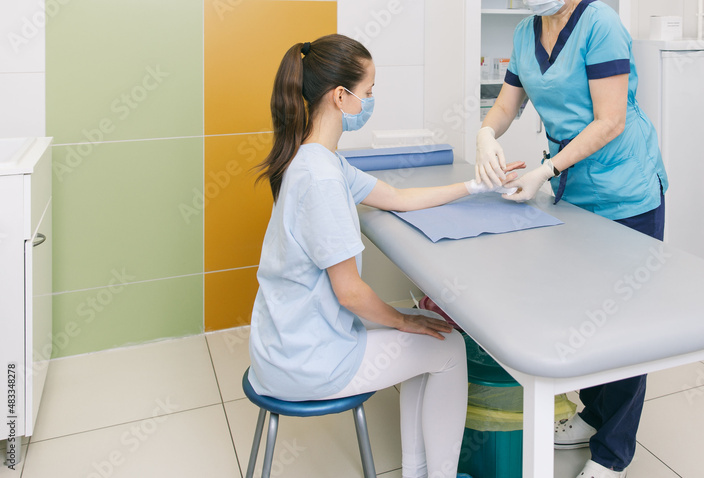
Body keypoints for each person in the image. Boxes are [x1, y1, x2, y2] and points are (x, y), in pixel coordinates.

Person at [248, 34, 519, 478]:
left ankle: (417, 471)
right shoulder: (321, 179)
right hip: (305, 362)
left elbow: (398, 197)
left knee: (424, 335)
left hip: (282, 342)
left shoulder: (316, 160)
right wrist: (403, 321)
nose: (372, 100)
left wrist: (477, 185)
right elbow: (351, 293)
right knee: (446, 343)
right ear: (341, 96)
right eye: (369, 91)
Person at [477, 1, 668, 477]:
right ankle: (594, 415)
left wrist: (545, 170)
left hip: (624, 187)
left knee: (624, 323)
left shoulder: (600, 24)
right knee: (585, 310)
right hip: (574, 185)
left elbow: (610, 120)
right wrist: (486, 133)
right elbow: (507, 104)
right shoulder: (526, 32)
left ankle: (613, 452)